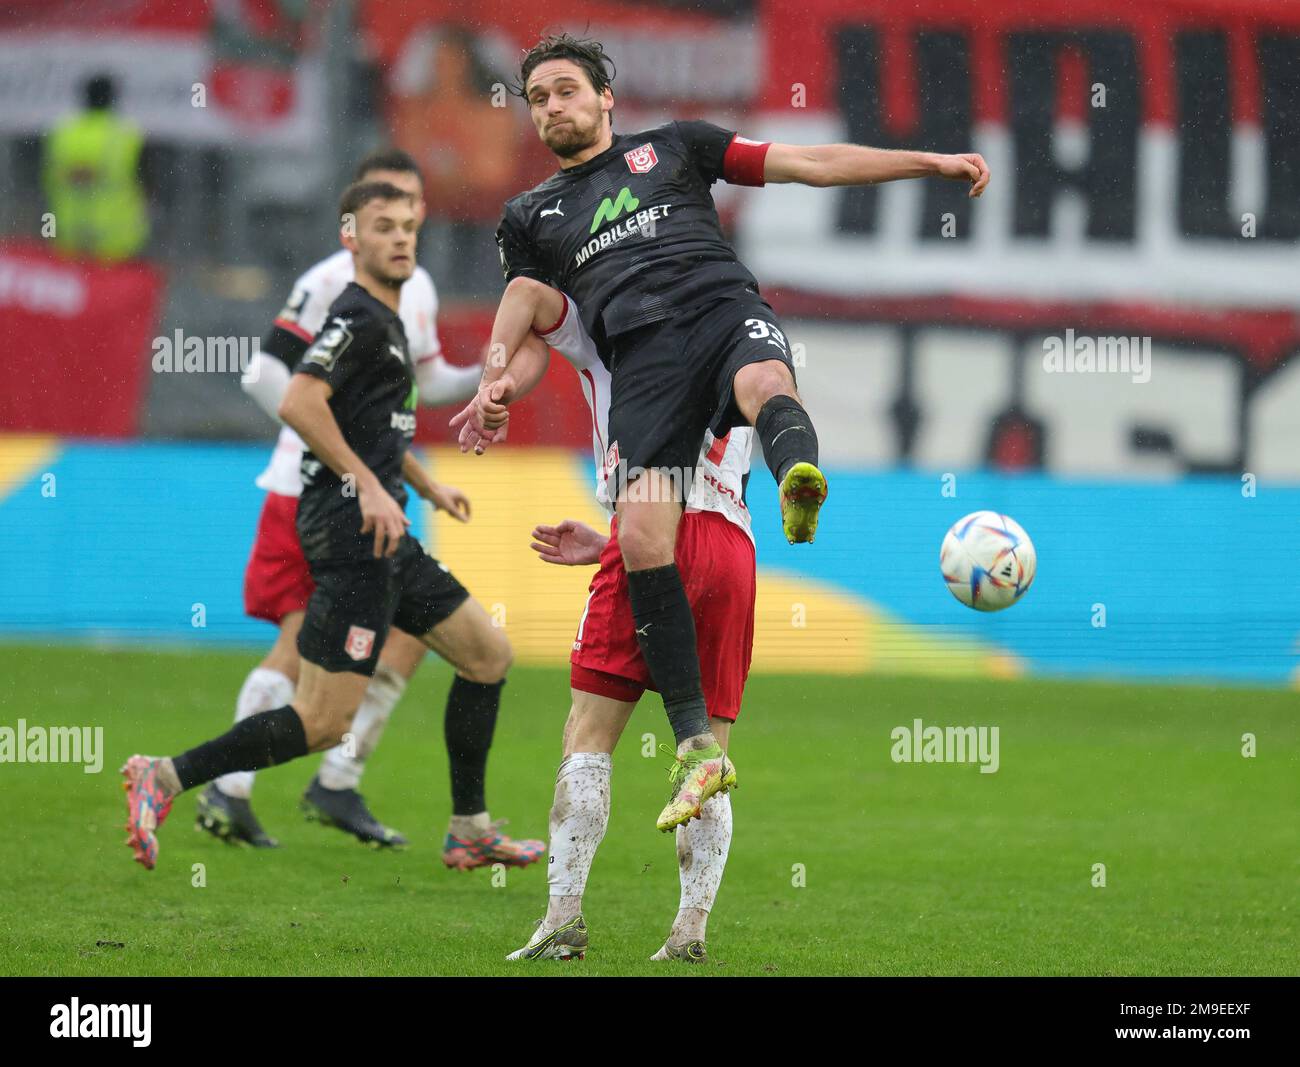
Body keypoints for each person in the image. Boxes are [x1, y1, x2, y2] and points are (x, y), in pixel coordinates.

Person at [492, 33, 990, 830]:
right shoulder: (530, 217)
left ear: (605, 98)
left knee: (765, 383)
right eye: (538, 98)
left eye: (566, 90)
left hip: (721, 308)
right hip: (643, 357)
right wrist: (498, 387)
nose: (552, 107)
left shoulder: (677, 148)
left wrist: (926, 163)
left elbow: (810, 162)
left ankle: (799, 478)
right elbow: (532, 331)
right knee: (645, 534)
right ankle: (695, 741)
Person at [120, 181, 543, 872]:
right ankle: (164, 775)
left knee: (487, 654)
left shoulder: (390, 320)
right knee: (322, 721)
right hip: (352, 535)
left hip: (385, 534)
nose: (401, 237)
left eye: (409, 225)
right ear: (351, 237)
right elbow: (297, 400)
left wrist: (425, 483)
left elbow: (365, 424)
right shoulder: (357, 319)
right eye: (384, 226)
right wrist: (371, 485)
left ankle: (469, 826)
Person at [451, 278, 754, 962]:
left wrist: (492, 384)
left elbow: (528, 293)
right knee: (706, 753)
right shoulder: (741, 332)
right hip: (731, 545)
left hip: (648, 527)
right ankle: (689, 931)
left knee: (587, 735)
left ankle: (563, 917)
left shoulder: (617, 316)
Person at [43, 74, 149, 261]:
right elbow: (147, 179)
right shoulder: (127, 133)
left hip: (69, 235)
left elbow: (50, 177)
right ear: (113, 98)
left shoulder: (62, 132)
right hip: (116, 241)